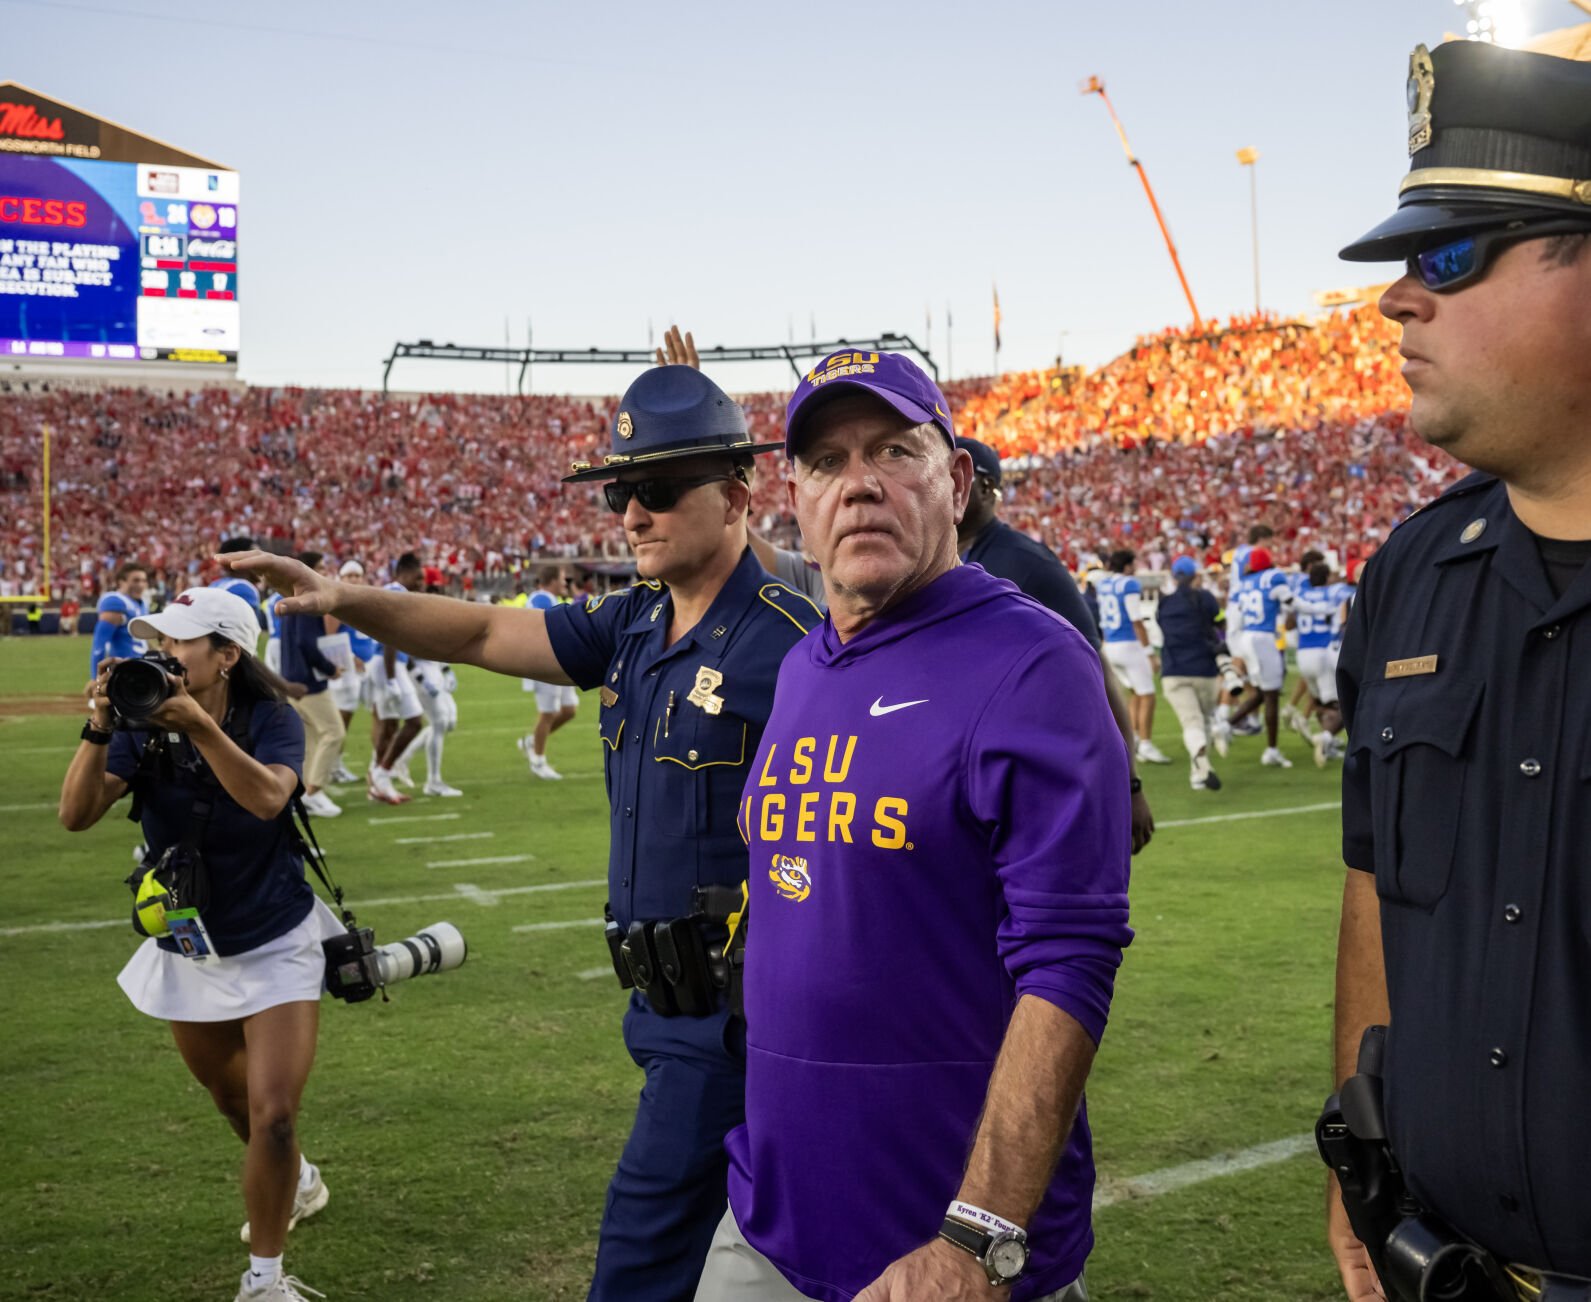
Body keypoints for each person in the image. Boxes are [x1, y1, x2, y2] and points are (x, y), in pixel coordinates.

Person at [219, 364, 820, 1302]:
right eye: (621, 491)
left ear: (739, 492)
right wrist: (342, 595)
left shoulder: (795, 640)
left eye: (656, 491)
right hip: (659, 1009)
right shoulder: (634, 620)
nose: (630, 515)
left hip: (738, 1019)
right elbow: (476, 636)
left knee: (641, 1257)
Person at [696, 350, 1132, 1302]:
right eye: (825, 461)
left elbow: (1069, 961)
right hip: (770, 1220)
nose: (858, 484)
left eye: (892, 450)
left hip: (944, 1248)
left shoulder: (1030, 664)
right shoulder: (809, 664)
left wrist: (976, 1238)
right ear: (796, 500)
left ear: (957, 478)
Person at [1328, 38, 1591, 1302]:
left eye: (1449, 253)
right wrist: (1354, 1167)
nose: (1396, 299)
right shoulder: (1411, 575)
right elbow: (1376, 892)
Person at [58, 587, 339, 1302]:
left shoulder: (270, 718)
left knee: (273, 1116)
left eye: (181, 642)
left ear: (226, 655)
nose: (165, 653)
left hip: (276, 934)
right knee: (233, 1101)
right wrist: (99, 727)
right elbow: (75, 815)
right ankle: (299, 1181)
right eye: (161, 640)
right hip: (190, 940)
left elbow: (271, 798)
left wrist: (200, 730)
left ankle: (264, 1282)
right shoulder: (140, 720)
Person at [955, 434, 1154, 851]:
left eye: (961, 474)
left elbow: (1096, 674)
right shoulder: (941, 557)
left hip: (1033, 770)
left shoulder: (1027, 563)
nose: (947, 483)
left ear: (987, 487)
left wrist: (1130, 785)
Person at [276, 552, 347, 818]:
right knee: (333, 732)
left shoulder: (290, 597)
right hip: (307, 681)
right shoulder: (308, 600)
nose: (323, 571)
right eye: (318, 568)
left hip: (292, 677)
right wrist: (330, 668)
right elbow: (306, 643)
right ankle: (314, 793)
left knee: (313, 739)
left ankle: (302, 794)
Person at [1155, 555, 1234, 791]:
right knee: (1204, 721)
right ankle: (1198, 770)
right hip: (1205, 669)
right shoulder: (1205, 598)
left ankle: (1199, 768)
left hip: (1174, 670)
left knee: (1191, 723)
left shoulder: (1164, 603)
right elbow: (1221, 621)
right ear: (1195, 576)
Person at [1095, 549, 1172, 766]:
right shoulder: (1128, 585)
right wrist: (1149, 653)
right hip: (1129, 645)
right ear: (1127, 565)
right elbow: (1136, 620)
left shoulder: (1104, 584)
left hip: (1109, 645)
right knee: (1148, 695)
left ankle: (1135, 738)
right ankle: (1145, 744)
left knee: (1135, 693)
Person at [1225, 546, 1296, 768]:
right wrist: (1317, 607)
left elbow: (1234, 620)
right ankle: (1272, 750)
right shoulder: (1273, 577)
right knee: (1272, 695)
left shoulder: (1243, 584)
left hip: (1247, 638)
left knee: (1262, 694)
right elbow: (1292, 603)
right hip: (1263, 639)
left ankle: (1225, 724)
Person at [365, 552, 426, 805]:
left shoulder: (389, 590)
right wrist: (391, 679)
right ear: (405, 572)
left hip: (384, 664)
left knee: (390, 724)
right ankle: (383, 772)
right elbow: (390, 637)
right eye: (418, 577)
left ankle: (379, 781)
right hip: (387, 666)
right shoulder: (398, 592)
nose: (421, 583)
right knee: (414, 722)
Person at [517, 564, 579, 781]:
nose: (565, 583)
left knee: (569, 710)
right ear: (552, 580)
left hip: (557, 661)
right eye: (562, 578)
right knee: (548, 712)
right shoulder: (542, 598)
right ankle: (538, 761)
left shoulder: (548, 599)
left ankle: (532, 742)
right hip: (542, 662)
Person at [324, 561, 375, 786]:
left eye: (358, 575)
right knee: (339, 721)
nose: (354, 579)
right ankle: (332, 767)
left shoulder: (362, 600)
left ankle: (336, 765)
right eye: (350, 575)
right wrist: (349, 658)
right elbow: (328, 636)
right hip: (345, 669)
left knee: (350, 717)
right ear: (341, 577)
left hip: (363, 670)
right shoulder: (339, 603)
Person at [90, 561, 149, 679]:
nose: (141, 584)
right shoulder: (115, 601)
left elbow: (141, 640)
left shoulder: (142, 604)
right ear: (122, 582)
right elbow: (99, 644)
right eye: (136, 580)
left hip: (142, 667)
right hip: (122, 670)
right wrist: (95, 678)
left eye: (143, 580)